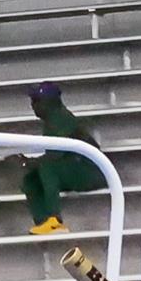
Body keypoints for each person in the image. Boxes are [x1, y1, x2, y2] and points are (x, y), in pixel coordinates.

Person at [19, 82, 106, 235]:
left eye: (36, 101)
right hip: (73, 169)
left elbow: (54, 156)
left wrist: (28, 162)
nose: (33, 105)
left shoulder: (60, 118)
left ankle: (55, 220)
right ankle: (43, 221)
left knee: (47, 168)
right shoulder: (51, 120)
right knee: (31, 180)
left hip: (90, 172)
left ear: (49, 102)